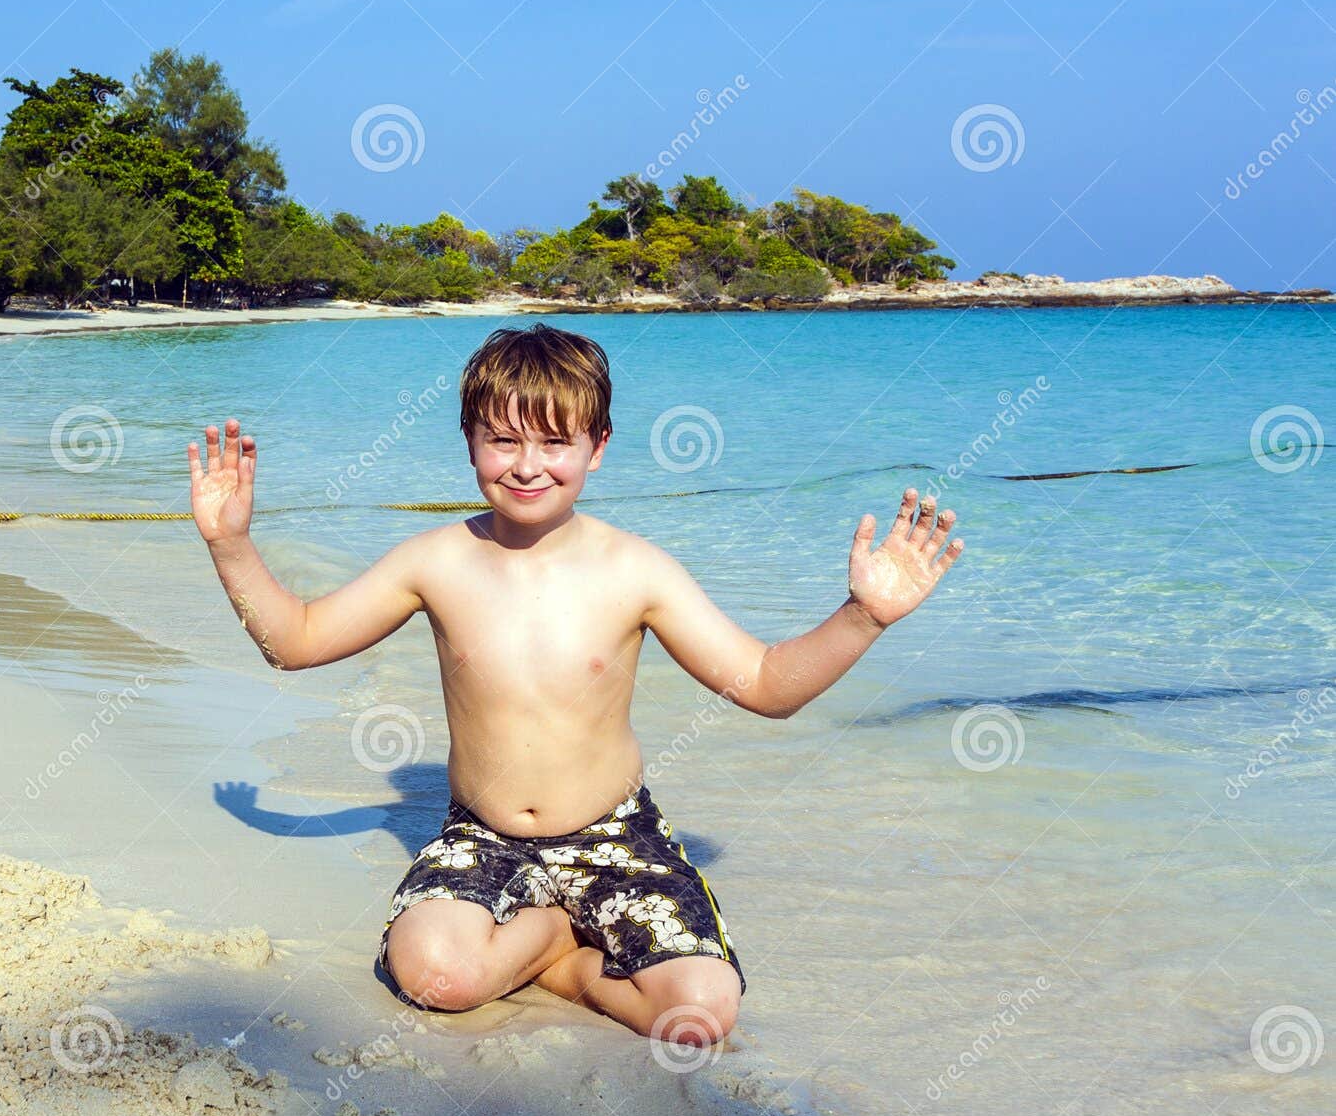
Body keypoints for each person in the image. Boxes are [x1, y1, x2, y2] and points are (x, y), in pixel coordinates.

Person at [186, 324, 964, 1046]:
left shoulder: (636, 570)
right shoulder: (435, 561)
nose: (528, 465)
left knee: (700, 1016)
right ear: (469, 443)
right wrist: (231, 545)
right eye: (503, 440)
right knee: (436, 976)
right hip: (482, 838)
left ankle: (563, 962)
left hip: (616, 838)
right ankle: (559, 935)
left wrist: (864, 615)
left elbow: (766, 684)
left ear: (599, 446)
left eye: (556, 443)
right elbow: (296, 641)